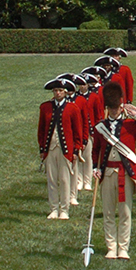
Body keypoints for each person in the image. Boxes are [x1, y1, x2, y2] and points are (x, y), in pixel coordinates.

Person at [92, 83, 136, 259]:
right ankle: (111, 247)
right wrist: (95, 167)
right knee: (108, 212)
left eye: (116, 109)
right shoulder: (100, 127)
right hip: (107, 174)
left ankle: (123, 247)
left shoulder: (130, 124)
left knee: (125, 212)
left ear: (121, 107)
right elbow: (96, 150)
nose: (114, 112)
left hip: (125, 173)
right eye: (111, 109)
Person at [38, 74, 84, 220]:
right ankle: (53, 208)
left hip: (66, 149)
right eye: (55, 90)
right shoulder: (45, 107)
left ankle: (64, 209)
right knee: (51, 179)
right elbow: (41, 129)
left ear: (66, 92)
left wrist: (76, 149)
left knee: (65, 180)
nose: (58, 93)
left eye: (61, 91)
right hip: (50, 148)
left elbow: (78, 131)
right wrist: (42, 149)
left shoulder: (72, 108)